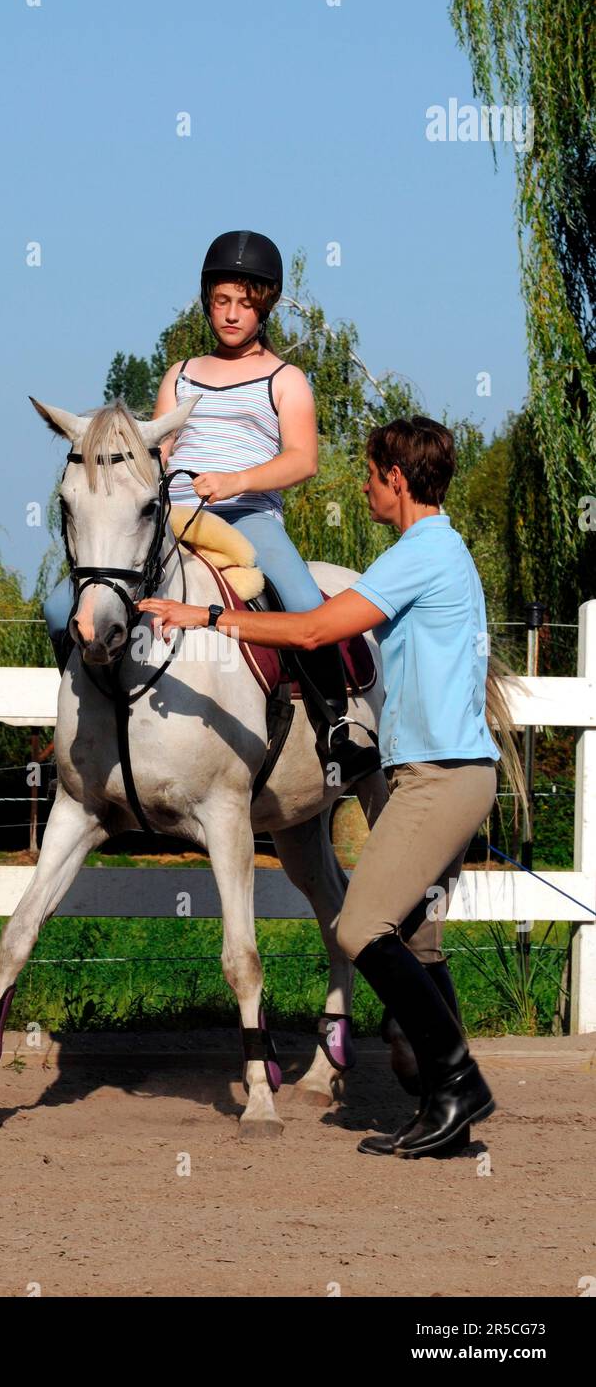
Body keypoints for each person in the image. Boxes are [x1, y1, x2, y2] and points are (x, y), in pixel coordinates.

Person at [136, 416, 501, 1160]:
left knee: (360, 926)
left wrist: (205, 616)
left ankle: (460, 1084)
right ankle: (445, 1106)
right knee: (419, 946)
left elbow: (311, 633)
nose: (364, 486)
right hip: (445, 774)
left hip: (441, 778)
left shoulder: (423, 551)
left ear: (397, 479)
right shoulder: (438, 550)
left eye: (370, 474)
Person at [42, 229, 380, 784]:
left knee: (300, 599)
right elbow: (159, 450)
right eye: (221, 301)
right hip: (175, 517)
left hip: (250, 517)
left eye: (245, 304)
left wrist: (236, 480)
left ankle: (337, 724)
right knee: (62, 607)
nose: (231, 314)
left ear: (264, 306)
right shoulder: (180, 374)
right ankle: (85, 719)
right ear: (207, 301)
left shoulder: (285, 378)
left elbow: (302, 460)